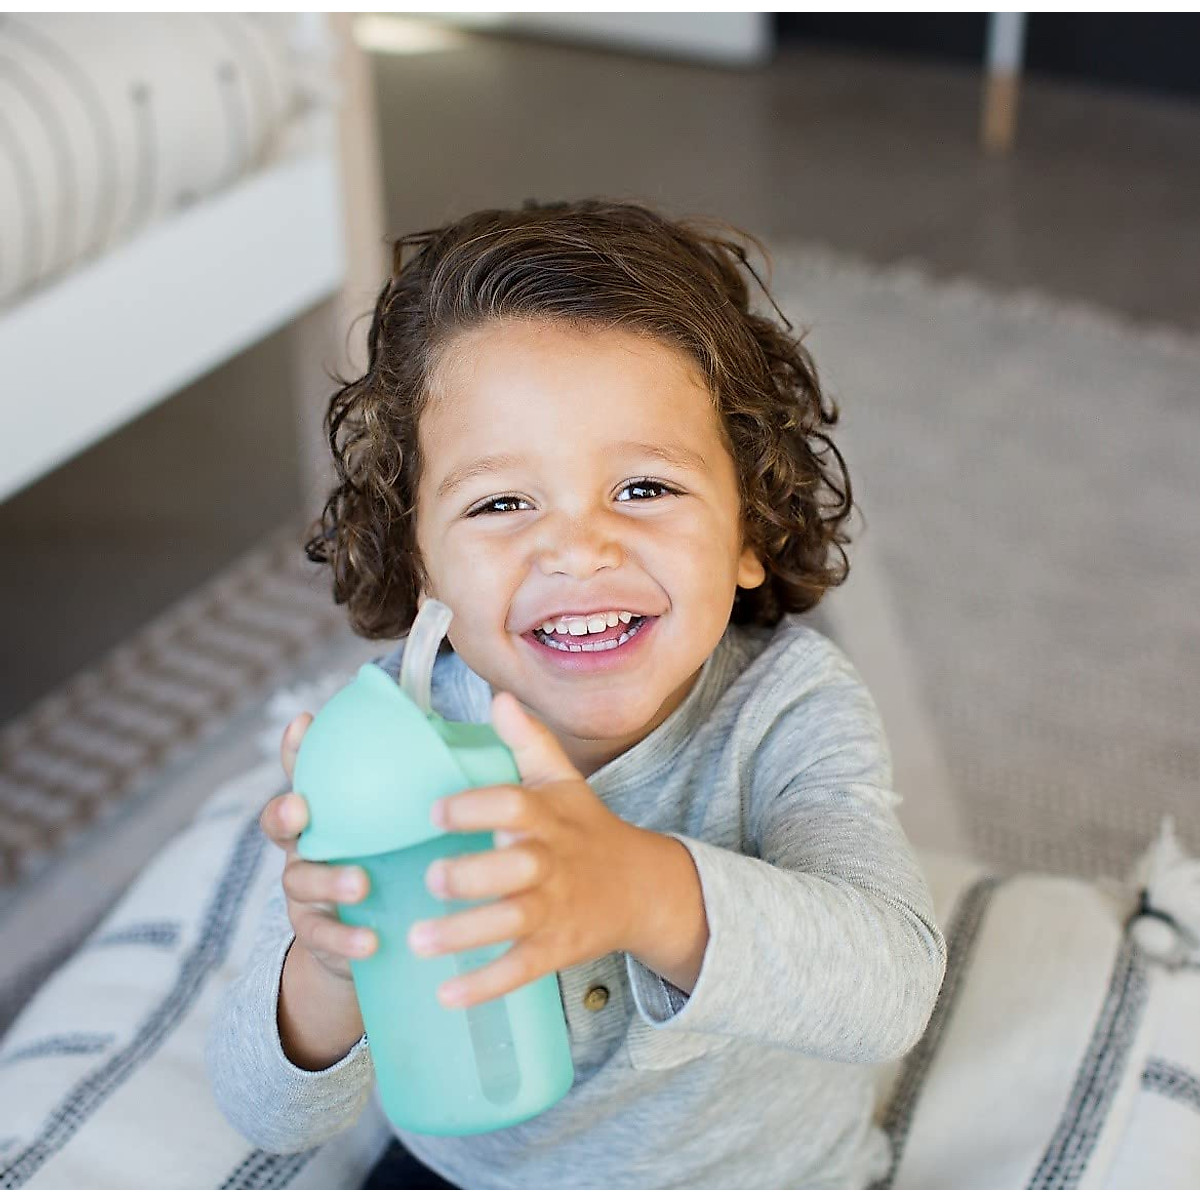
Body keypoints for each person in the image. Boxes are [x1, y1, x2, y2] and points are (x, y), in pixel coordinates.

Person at [205, 198, 947, 1188]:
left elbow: (893, 989)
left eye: (644, 488)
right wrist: (329, 972)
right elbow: (266, 1114)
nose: (577, 549)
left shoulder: (787, 710)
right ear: (421, 565)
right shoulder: (393, 744)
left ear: (750, 530)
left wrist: (638, 892)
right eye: (501, 502)